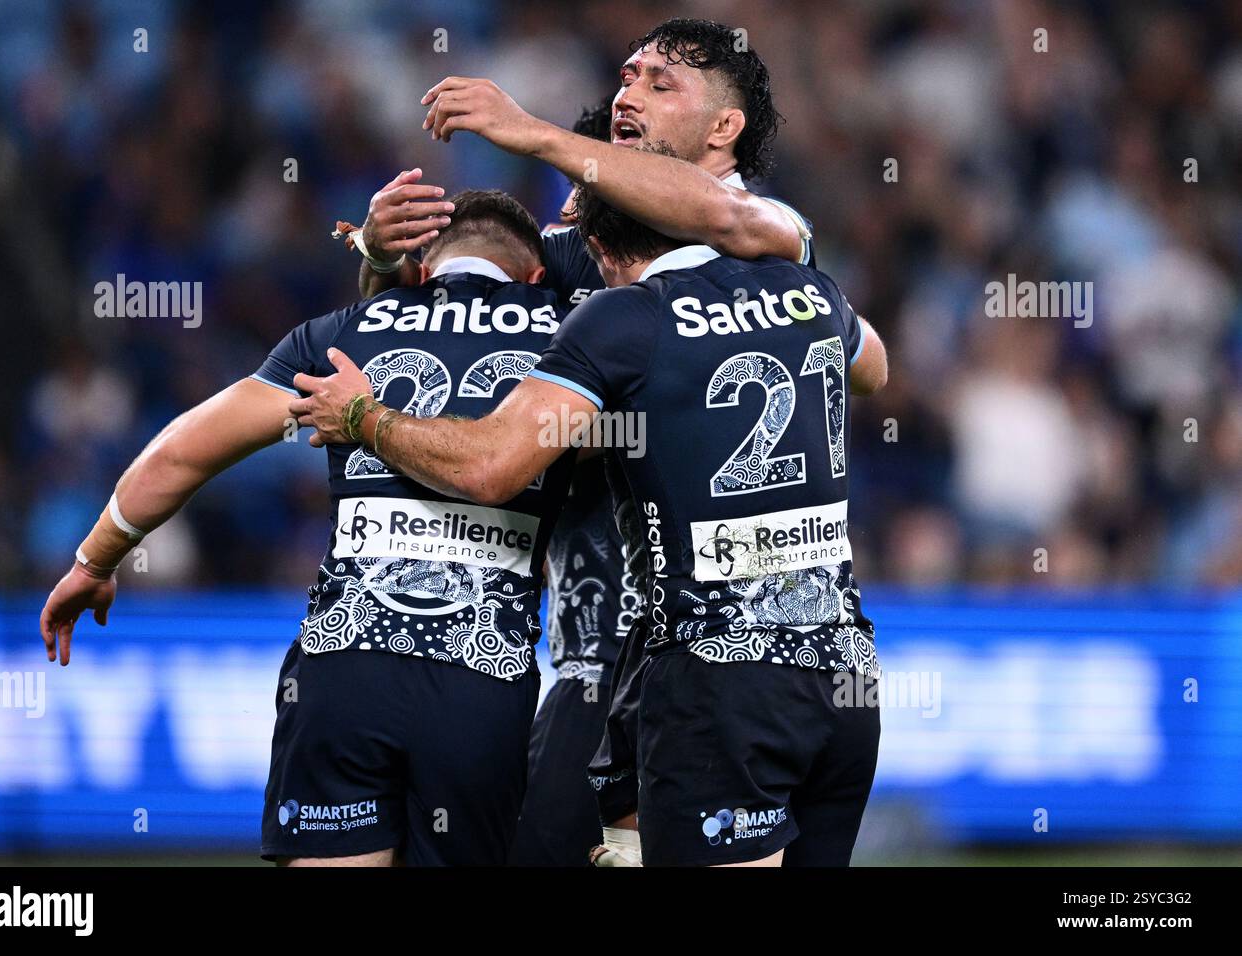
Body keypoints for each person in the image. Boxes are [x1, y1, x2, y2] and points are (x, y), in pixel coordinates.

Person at [290, 181, 889, 867]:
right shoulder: (800, 292)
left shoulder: (609, 321)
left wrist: (366, 409)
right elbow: (872, 364)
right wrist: (378, 258)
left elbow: (482, 448)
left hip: (652, 671)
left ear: (591, 237)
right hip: (830, 662)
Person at [339, 15, 822, 866]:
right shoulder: (582, 262)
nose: (627, 94)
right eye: (626, 79)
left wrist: (529, 131)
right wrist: (379, 257)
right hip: (598, 659)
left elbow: (725, 219)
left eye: (657, 82)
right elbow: (423, 322)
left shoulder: (767, 231)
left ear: (723, 130)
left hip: (725, 657)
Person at [39, 190, 575, 867]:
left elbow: (181, 451)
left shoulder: (340, 334)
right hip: (480, 684)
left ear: (417, 269)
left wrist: (94, 562)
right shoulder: (571, 339)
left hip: (342, 677)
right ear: (533, 278)